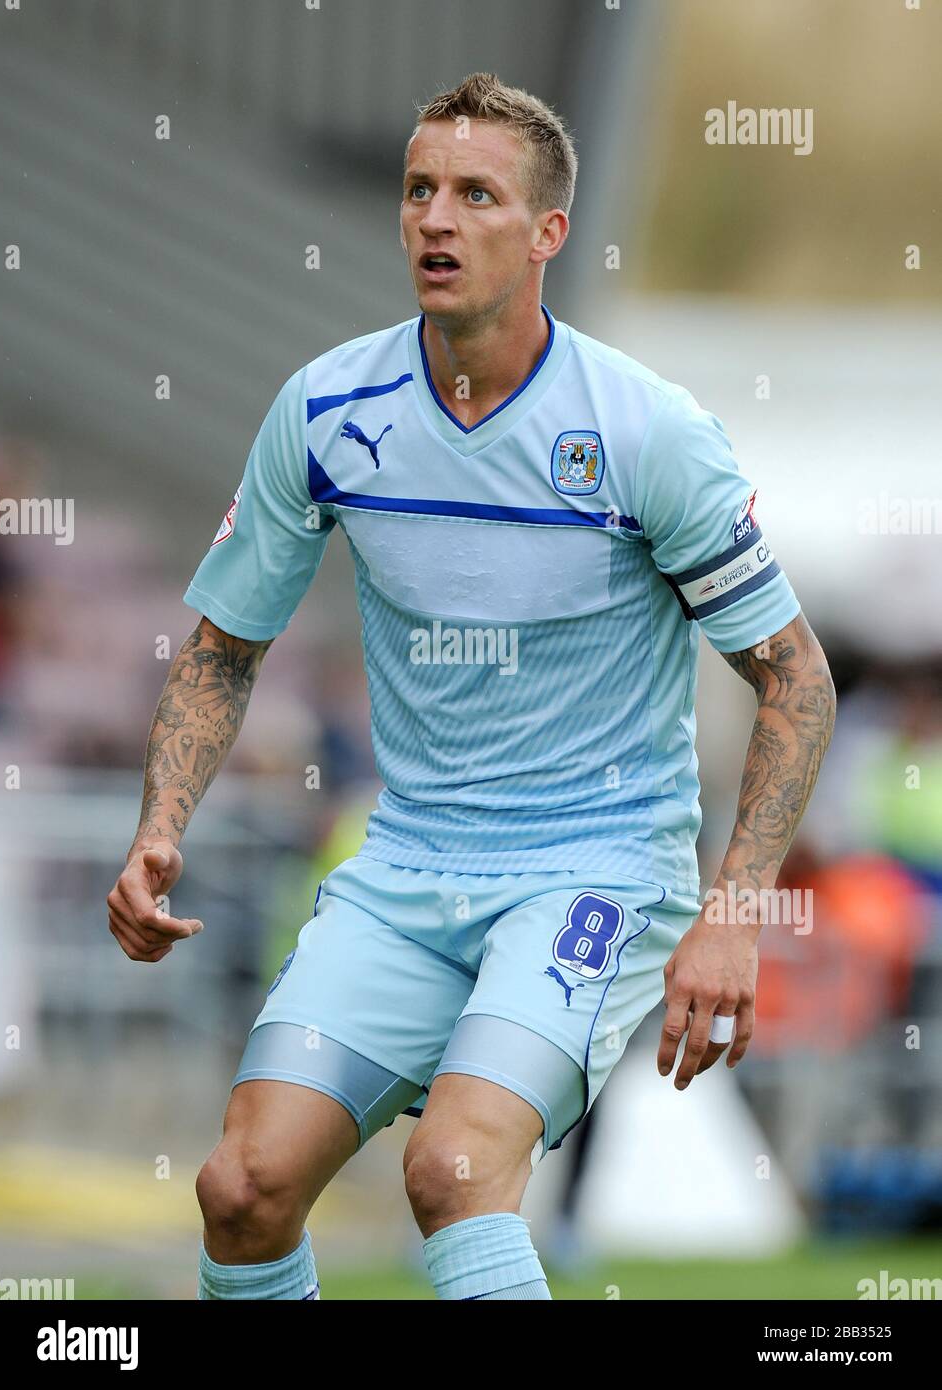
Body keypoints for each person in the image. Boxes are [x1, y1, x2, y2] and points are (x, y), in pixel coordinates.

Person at [106, 72, 836, 1301]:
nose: (434, 220)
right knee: (241, 1189)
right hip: (409, 868)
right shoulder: (328, 410)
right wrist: (159, 827)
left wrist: (732, 913)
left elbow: (796, 682)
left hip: (593, 868)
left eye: (475, 195)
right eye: (417, 191)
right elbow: (224, 647)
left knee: (451, 1169)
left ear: (547, 231)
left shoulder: (646, 432)